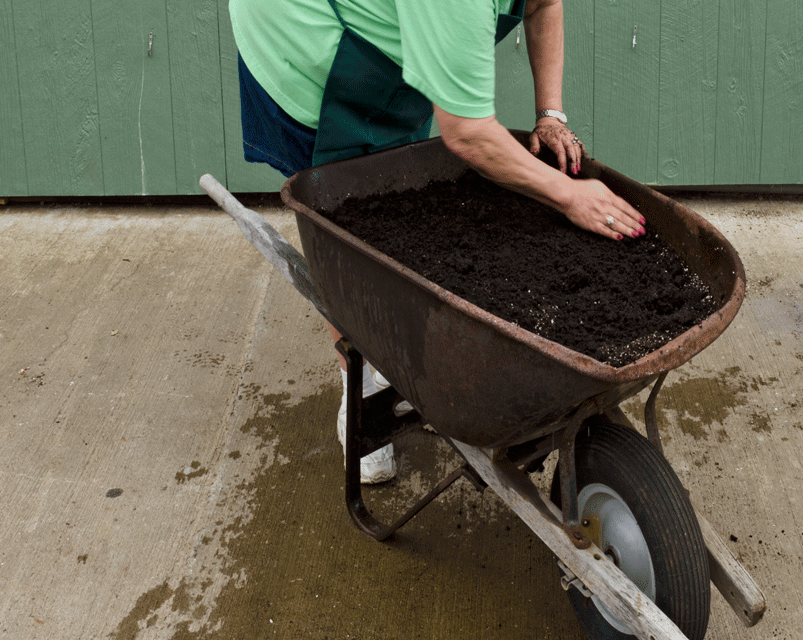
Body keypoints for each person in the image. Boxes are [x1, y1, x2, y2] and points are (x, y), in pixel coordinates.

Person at [230, 0, 646, 483]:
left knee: (391, 185)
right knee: (342, 223)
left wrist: (550, 114)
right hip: (303, 40)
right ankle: (360, 389)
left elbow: (544, 2)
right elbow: (467, 134)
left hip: (381, 38)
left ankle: (396, 357)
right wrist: (569, 195)